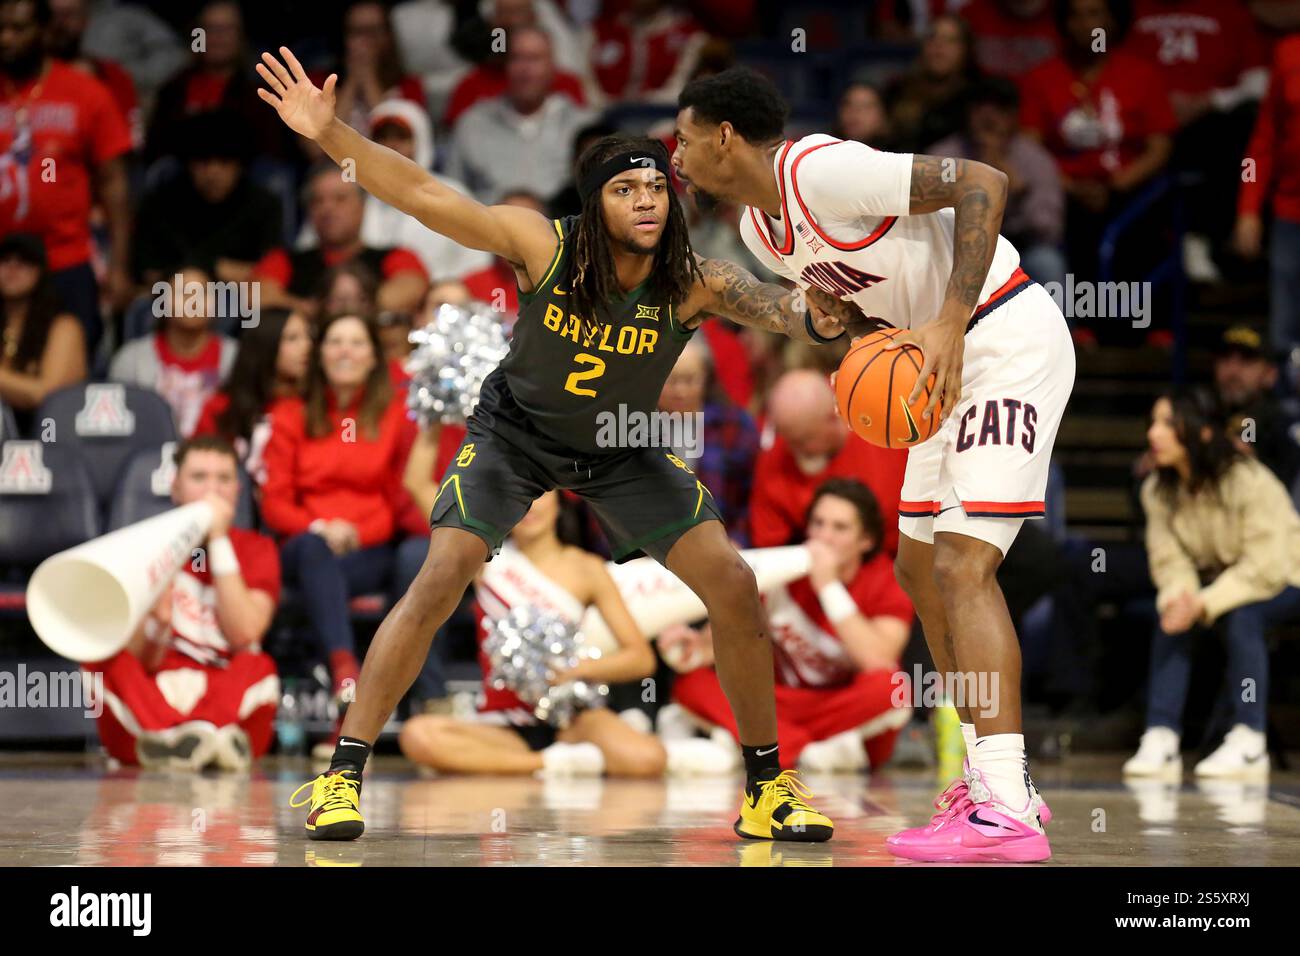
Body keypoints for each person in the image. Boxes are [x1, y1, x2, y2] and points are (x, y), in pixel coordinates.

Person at [258, 45, 860, 843]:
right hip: (518, 436)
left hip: (616, 448)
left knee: (732, 581)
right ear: (593, 201)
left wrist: (814, 317)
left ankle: (766, 787)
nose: (648, 200)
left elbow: (778, 308)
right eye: (626, 188)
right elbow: (424, 191)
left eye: (656, 186)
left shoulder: (691, 279)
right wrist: (334, 136)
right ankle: (341, 775)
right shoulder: (542, 246)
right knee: (441, 575)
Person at [674, 65, 1076, 862]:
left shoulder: (819, 170)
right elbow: (859, 308)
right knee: (919, 570)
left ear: (724, 137)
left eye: (684, 142)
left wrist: (951, 321)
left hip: (999, 336)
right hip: (930, 363)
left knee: (963, 566)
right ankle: (999, 786)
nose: (676, 159)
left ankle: (1006, 804)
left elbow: (983, 185)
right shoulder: (761, 233)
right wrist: (837, 317)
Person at [399, 491, 666, 777]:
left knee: (647, 760)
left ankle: (511, 765)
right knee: (417, 736)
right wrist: (430, 442)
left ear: (560, 502)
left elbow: (641, 658)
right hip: (502, 724)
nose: (530, 506)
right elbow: (416, 483)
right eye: (520, 496)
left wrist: (577, 670)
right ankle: (552, 764)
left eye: (539, 494)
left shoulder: (587, 568)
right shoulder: (486, 559)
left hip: (572, 719)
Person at [669, 479, 914, 772]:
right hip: (777, 704)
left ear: (866, 540)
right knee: (691, 683)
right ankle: (802, 748)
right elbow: (719, 647)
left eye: (840, 528)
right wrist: (689, 648)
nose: (824, 536)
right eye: (818, 523)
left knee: (893, 687)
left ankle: (760, 747)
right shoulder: (784, 567)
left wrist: (828, 586)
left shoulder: (887, 580)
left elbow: (877, 660)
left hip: (838, 706)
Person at [1124, 390, 1300, 781]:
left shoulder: (1247, 479)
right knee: (1171, 613)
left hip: (1287, 575)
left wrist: (1203, 604)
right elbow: (1171, 560)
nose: (1154, 433)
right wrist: (1181, 598)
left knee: (1242, 617)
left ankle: (1250, 740)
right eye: (1154, 422)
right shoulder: (1157, 489)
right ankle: (1162, 736)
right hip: (1230, 580)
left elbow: (1266, 566)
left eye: (1168, 423)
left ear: (1202, 433)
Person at [91, 436, 281, 771]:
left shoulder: (257, 548)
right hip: (158, 689)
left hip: (221, 690)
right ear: (175, 488)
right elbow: (139, 658)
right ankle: (184, 741)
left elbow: (243, 633)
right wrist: (157, 625)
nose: (213, 490)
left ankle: (183, 741)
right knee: (101, 660)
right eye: (199, 478)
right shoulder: (142, 543)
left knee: (258, 665)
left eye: (224, 479)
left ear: (238, 490)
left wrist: (218, 539)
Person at [260, 313, 410, 713]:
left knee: (325, 578)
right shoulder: (289, 413)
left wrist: (357, 533)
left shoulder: (392, 415)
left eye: (357, 342)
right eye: (335, 341)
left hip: (367, 549)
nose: (345, 351)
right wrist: (321, 527)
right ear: (320, 354)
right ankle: (345, 667)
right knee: (313, 553)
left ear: (374, 358)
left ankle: (338, 682)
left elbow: (396, 498)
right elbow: (274, 501)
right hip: (303, 543)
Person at [0, 0, 132, 353]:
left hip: (65, 258)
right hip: (1, 259)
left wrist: (119, 266)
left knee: (72, 374)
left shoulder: (85, 92)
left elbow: (115, 183)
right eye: (1, 28)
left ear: (43, 31)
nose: (6, 38)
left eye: (17, 29)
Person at [1019, 0, 1176, 283]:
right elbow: (1030, 148)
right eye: (1075, 16)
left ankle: (1145, 323)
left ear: (1113, 21)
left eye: (1094, 14)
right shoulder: (1040, 78)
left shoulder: (1142, 75)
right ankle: (1082, 323)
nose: (1085, 25)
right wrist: (1072, 187)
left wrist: (1116, 186)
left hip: (1128, 189)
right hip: (1063, 191)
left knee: (1141, 224)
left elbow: (1160, 148)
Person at [749, 370, 906, 556]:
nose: (794, 450)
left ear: (833, 417)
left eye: (803, 440)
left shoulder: (885, 424)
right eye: (787, 439)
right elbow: (769, 548)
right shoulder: (776, 460)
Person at [929, 77, 1065, 289]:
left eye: (999, 108)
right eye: (980, 107)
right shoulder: (944, 155)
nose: (989, 116)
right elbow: (929, 217)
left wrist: (1019, 193)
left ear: (1013, 116)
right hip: (956, 249)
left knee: (1047, 263)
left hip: (1021, 249)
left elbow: (1048, 228)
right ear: (967, 113)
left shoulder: (1034, 158)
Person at [132, 109, 284, 288]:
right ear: (188, 164)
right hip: (169, 297)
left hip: (243, 301)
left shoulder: (263, 205)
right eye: (203, 162)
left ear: (241, 166)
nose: (212, 173)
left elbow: (269, 277)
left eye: (224, 162)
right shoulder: (161, 203)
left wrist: (199, 266)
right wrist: (219, 269)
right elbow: (149, 273)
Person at [252, 163, 429, 317]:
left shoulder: (396, 256)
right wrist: (318, 311)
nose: (327, 209)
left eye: (340, 199)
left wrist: (330, 311)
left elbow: (412, 288)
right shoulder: (284, 260)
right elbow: (256, 296)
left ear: (362, 207)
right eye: (318, 201)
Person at [445, 27, 597, 204]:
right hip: (488, 225)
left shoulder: (583, 125)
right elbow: (452, 192)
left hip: (561, 227)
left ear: (553, 67)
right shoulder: (472, 123)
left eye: (534, 59)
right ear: (505, 66)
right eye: (516, 58)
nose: (524, 69)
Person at [108, 265, 239, 436]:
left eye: (203, 293)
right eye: (183, 293)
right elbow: (117, 426)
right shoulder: (131, 359)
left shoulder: (238, 357)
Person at [192, 308, 311, 487]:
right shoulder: (220, 407)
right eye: (292, 338)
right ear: (265, 344)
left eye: (309, 336)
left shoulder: (314, 406)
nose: (307, 346)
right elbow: (196, 466)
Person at [1233, 34, 1300, 353]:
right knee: (1285, 328)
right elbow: (1261, 144)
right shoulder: (1287, 54)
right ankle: (1287, 399)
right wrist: (1248, 209)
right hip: (1290, 213)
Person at [657, 338, 759, 542]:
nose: (681, 391)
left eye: (689, 380)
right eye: (672, 381)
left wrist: (737, 541)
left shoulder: (735, 425)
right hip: (647, 553)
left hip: (719, 545)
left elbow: (751, 498)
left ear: (706, 377)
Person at [0, 232, 85, 434]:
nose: (12, 268)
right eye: (4, 260)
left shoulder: (64, 326)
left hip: (51, 440)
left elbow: (46, 395)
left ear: (41, 272)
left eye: (24, 261)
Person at [1213, 325, 1300, 490]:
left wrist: (1251, 461)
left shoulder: (1283, 426)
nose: (1233, 370)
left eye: (1246, 361)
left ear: (1270, 374)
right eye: (1225, 359)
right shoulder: (1202, 415)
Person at [884, 13, 981, 153]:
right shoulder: (896, 90)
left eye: (950, 40)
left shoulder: (976, 99)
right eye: (932, 37)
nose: (939, 45)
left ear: (965, 50)